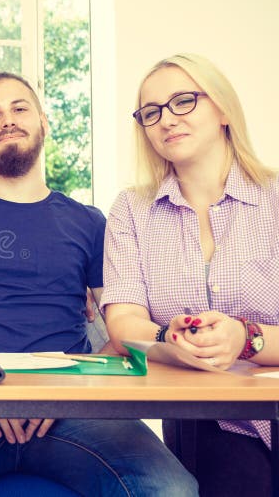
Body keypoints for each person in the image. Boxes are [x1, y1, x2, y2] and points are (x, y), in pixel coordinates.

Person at [0, 72, 197, 496]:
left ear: (43, 122)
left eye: (19, 108)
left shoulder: (89, 222)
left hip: (70, 407)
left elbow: (124, 328)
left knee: (170, 488)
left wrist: (71, 390)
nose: (7, 120)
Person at [102, 53, 278, 496]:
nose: (167, 120)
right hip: (209, 419)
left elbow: (250, 339)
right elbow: (124, 324)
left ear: (221, 109)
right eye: (151, 112)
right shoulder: (131, 210)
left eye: (183, 101)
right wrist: (167, 339)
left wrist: (246, 337)